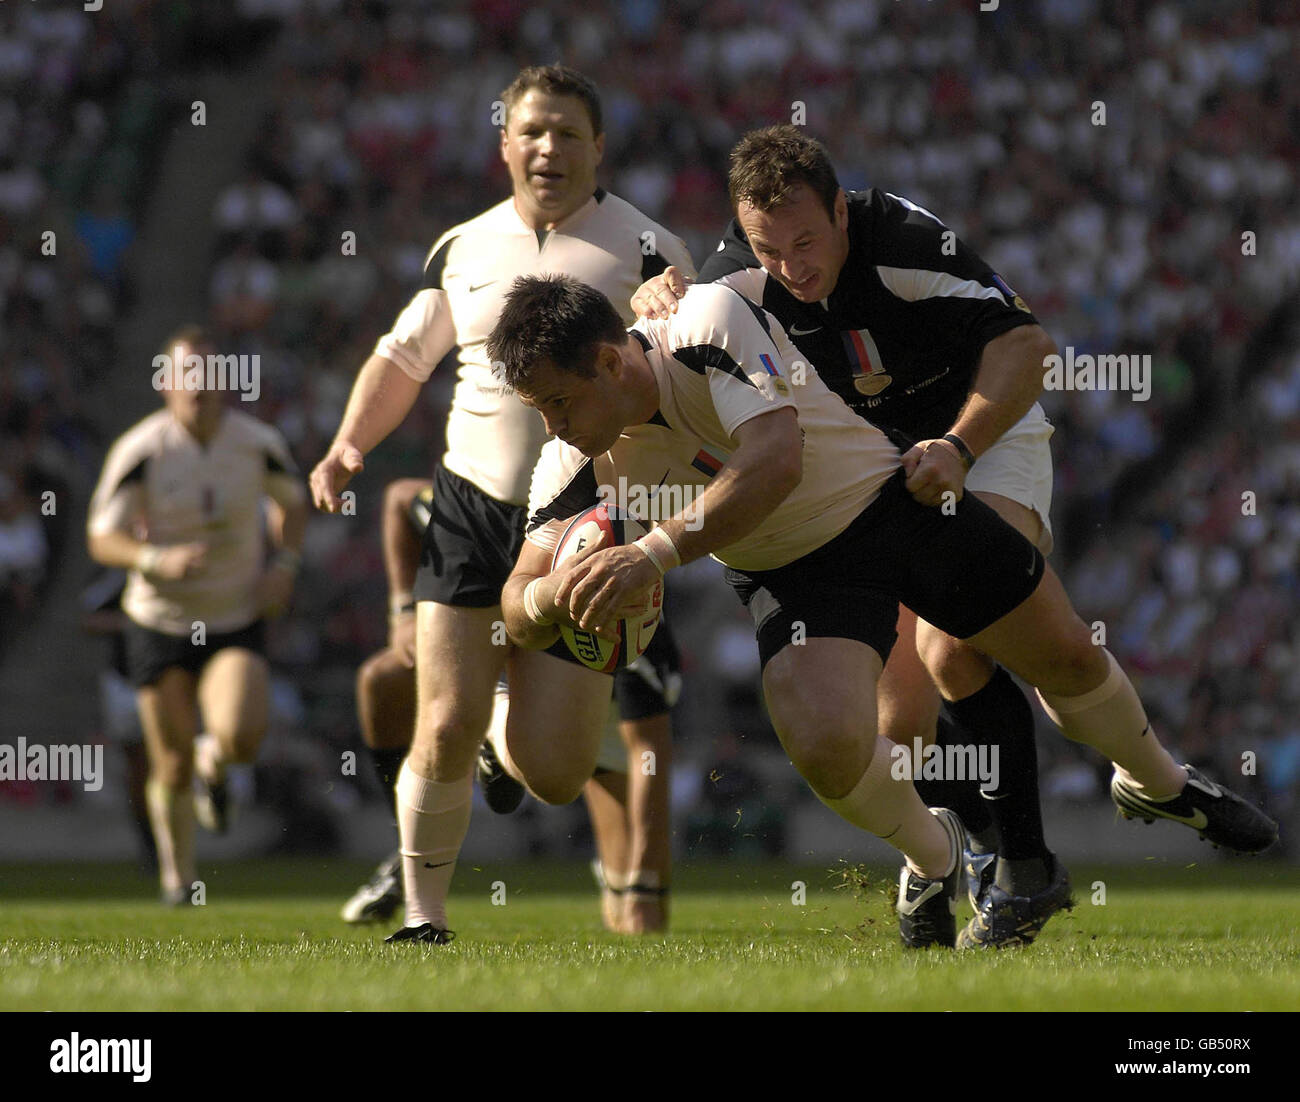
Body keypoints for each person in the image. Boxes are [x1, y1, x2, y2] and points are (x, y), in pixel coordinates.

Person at [487, 274, 1278, 950]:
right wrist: (555, 593)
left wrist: (648, 554)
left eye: (557, 402)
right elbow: (517, 602)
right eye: (539, 410)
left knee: (1065, 656)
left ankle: (1158, 779)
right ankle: (935, 854)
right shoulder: (571, 458)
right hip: (790, 572)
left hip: (885, 503)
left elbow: (775, 459)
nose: (552, 426)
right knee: (829, 746)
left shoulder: (700, 323)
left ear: (608, 360)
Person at [631, 125, 1065, 947]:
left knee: (956, 648)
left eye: (806, 240)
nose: (792, 264)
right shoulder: (737, 279)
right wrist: (660, 291)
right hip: (878, 482)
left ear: (839, 212)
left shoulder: (901, 238)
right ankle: (959, 854)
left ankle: (1029, 864)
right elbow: (679, 315)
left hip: (970, 446)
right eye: (770, 246)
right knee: (895, 732)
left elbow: (1024, 341)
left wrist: (962, 446)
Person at [310, 66, 693, 943]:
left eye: (567, 132)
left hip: (579, 524)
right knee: (439, 721)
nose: (548, 147)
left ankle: (502, 739)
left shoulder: (649, 249)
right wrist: (347, 444)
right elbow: (403, 358)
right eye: (532, 131)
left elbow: (677, 385)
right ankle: (423, 917)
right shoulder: (464, 246)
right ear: (505, 144)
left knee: (557, 773)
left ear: (599, 147)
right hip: (472, 508)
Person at [340, 477, 679, 934]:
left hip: (587, 716)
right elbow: (402, 498)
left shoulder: (623, 604)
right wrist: (402, 611)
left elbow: (649, 756)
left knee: (578, 791)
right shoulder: (480, 502)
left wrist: (646, 884)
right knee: (385, 684)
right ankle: (408, 859)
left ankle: (628, 887)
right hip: (507, 632)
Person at [86, 325, 306, 904]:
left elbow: (293, 503)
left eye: (210, 374)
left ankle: (218, 758)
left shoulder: (257, 442)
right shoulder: (141, 451)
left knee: (240, 736)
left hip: (234, 615)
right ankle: (178, 879)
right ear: (165, 384)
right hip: (158, 620)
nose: (199, 386)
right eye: (187, 374)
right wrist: (155, 558)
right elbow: (101, 537)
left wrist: (284, 565)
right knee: (170, 763)